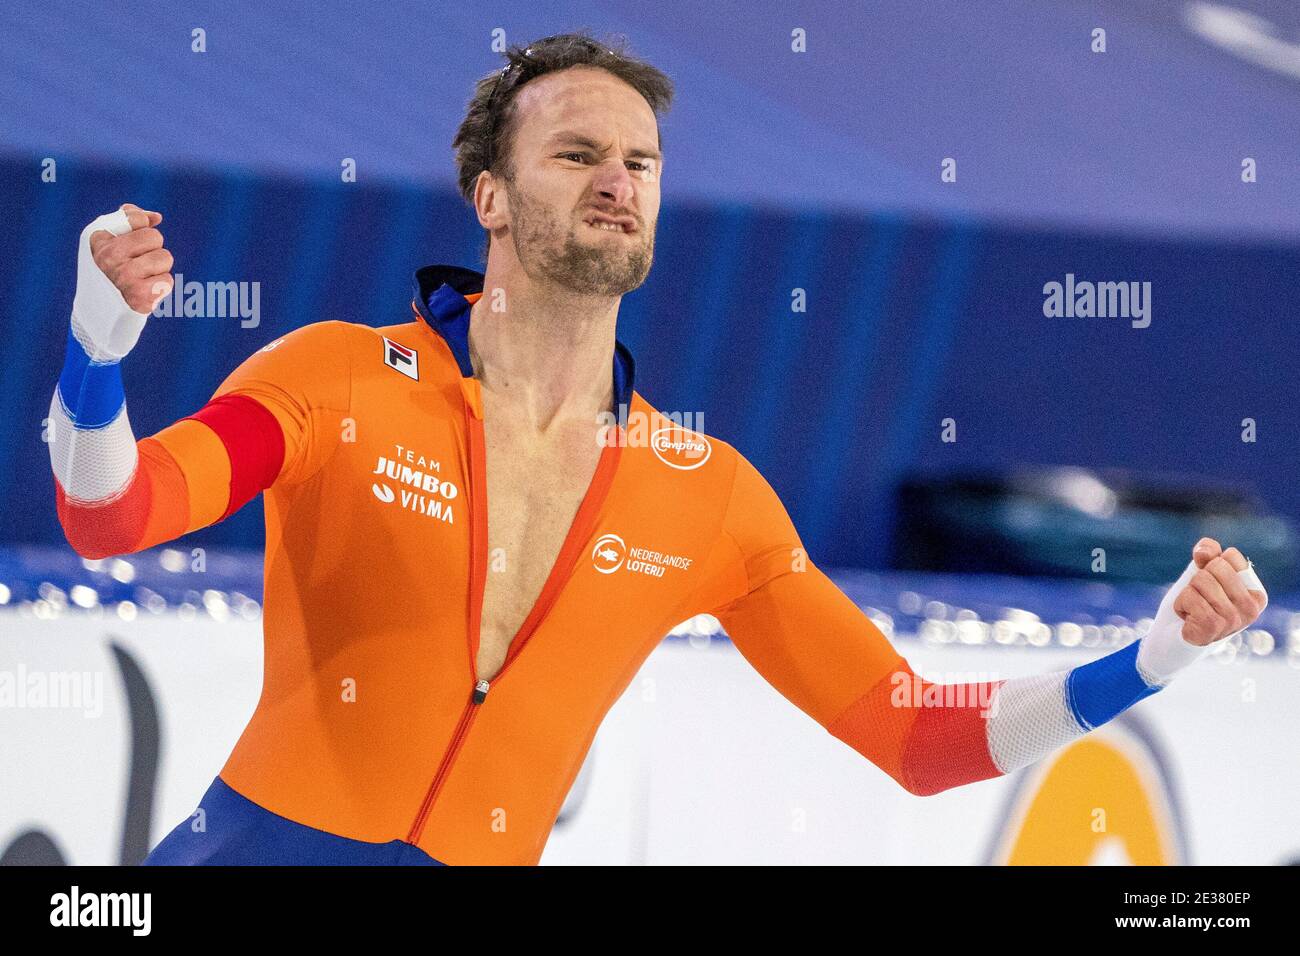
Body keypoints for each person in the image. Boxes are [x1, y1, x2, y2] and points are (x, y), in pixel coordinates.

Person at [49, 33, 1267, 866]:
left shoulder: (708, 495)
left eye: (639, 161)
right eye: (576, 154)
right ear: (488, 194)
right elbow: (114, 514)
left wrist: (1153, 656)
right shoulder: (335, 378)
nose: (617, 181)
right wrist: (96, 354)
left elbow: (915, 732)